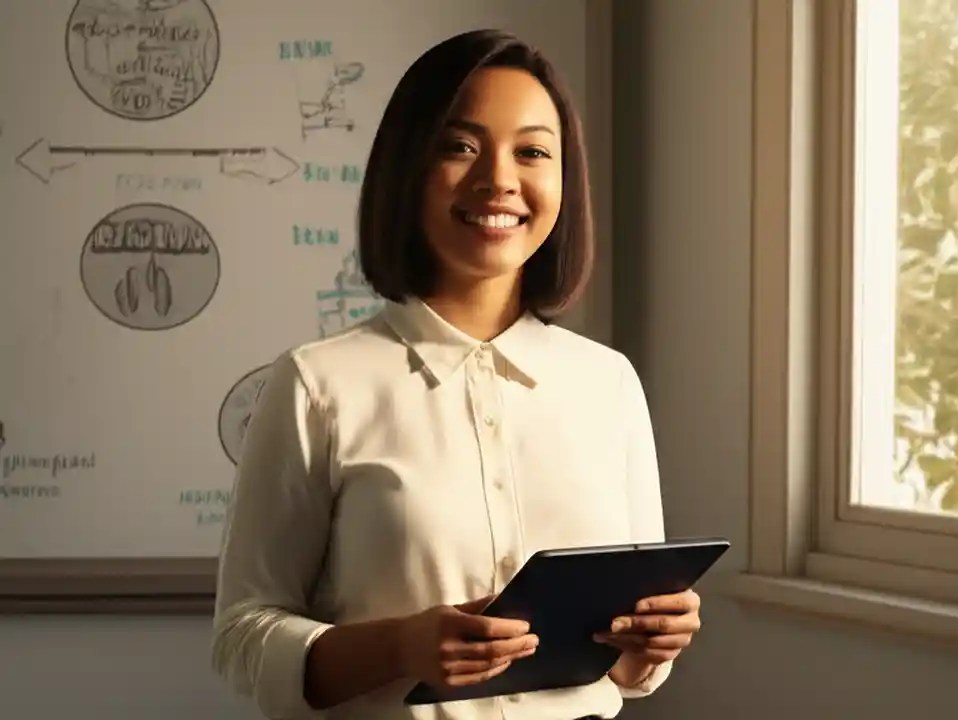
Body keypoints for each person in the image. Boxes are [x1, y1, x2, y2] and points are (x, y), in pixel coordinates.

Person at [211, 28, 702, 720]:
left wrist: (653, 642)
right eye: (459, 146)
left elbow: (627, 671)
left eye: (532, 152)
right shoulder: (318, 385)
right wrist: (400, 647)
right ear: (407, 169)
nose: (499, 179)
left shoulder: (609, 384)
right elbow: (241, 637)